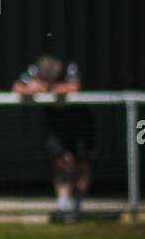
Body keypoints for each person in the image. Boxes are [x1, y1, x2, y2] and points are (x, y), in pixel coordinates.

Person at [12, 54, 93, 218]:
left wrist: (47, 88)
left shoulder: (71, 67)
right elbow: (17, 87)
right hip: (56, 123)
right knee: (62, 162)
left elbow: (74, 87)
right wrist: (31, 88)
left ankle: (77, 206)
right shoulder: (34, 70)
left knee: (81, 163)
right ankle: (63, 205)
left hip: (80, 121)